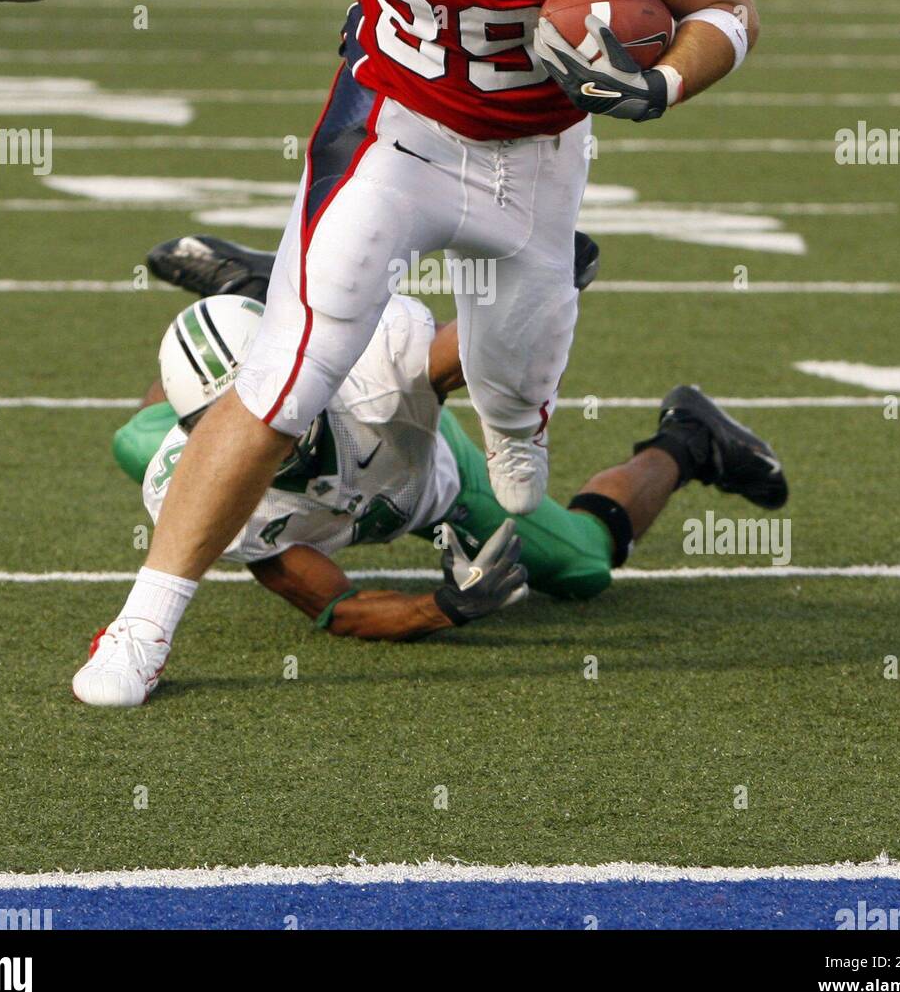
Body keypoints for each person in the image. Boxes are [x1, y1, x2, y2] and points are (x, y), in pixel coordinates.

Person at [0, 0, 760, 707]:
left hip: (535, 156)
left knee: (512, 407)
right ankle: (143, 625)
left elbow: (722, 4)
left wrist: (662, 81)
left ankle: (514, 423)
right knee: (288, 373)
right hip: (392, 127)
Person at [76, 231, 788, 702]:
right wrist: (443, 608)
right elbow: (337, 607)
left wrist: (531, 296)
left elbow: (470, 349)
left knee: (581, 567)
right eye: (214, 428)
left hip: (430, 477)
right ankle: (252, 294)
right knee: (133, 444)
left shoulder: (377, 376)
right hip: (294, 474)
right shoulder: (198, 482)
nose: (256, 437)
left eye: (252, 405)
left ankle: (689, 437)